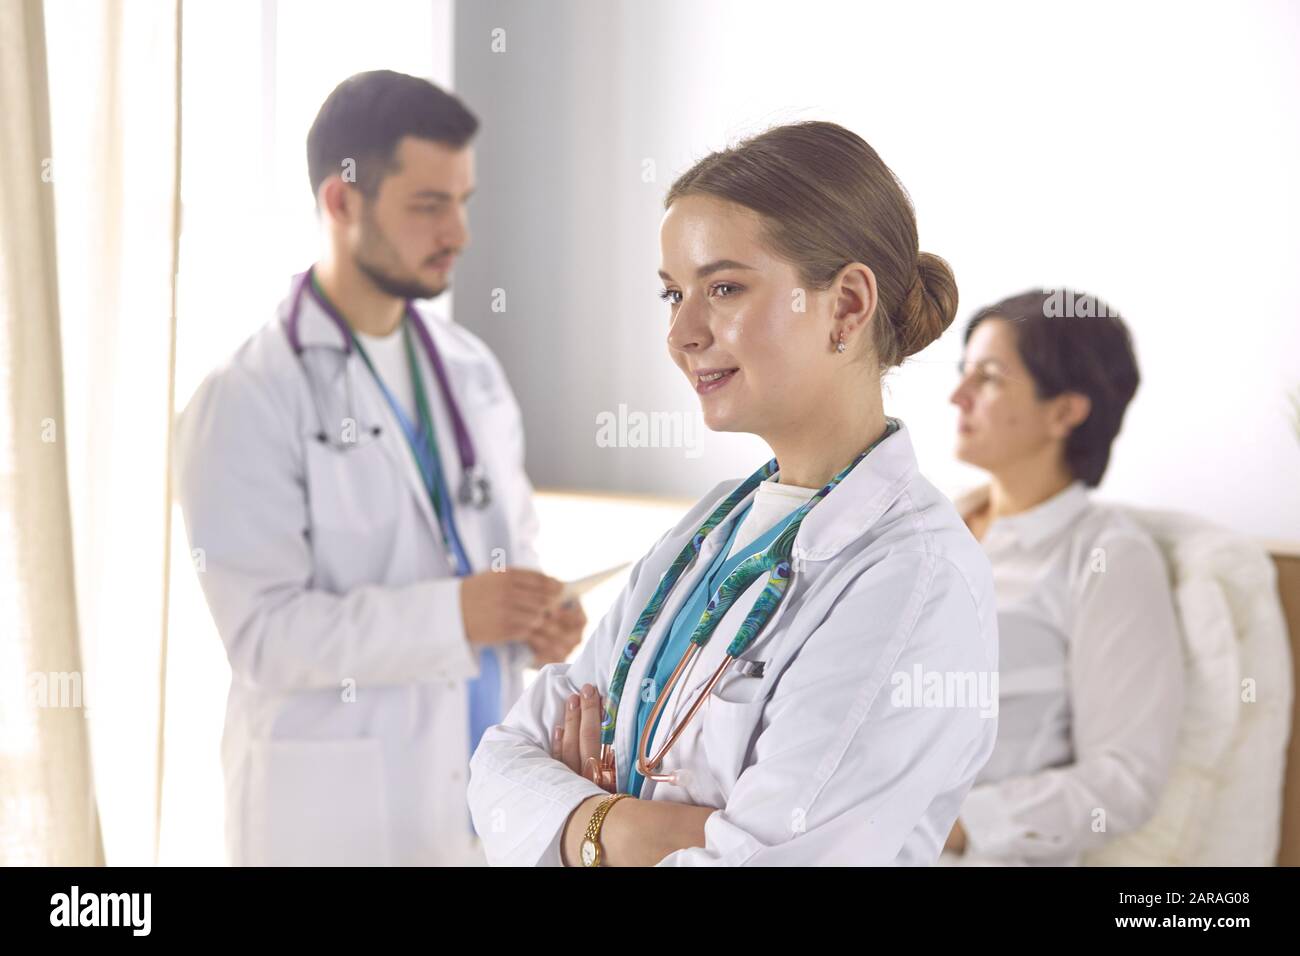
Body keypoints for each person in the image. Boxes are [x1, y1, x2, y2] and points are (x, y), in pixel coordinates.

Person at [467, 121, 999, 866]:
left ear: (846, 306)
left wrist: (580, 821)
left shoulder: (913, 580)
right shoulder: (712, 527)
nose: (681, 332)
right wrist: (621, 830)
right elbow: (499, 763)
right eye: (672, 294)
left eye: (722, 288)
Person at [173, 70, 584, 866]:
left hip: (479, 805)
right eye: (429, 205)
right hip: (328, 823)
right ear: (341, 202)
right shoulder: (249, 397)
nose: (459, 232)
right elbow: (263, 636)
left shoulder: (472, 374)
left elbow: (507, 557)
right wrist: (460, 616)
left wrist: (538, 621)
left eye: (463, 201)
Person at [942, 289, 1184, 865]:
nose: (958, 396)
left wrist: (949, 826)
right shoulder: (925, 530)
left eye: (991, 377)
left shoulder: (1109, 558)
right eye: (963, 372)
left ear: (1065, 411)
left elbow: (1123, 779)